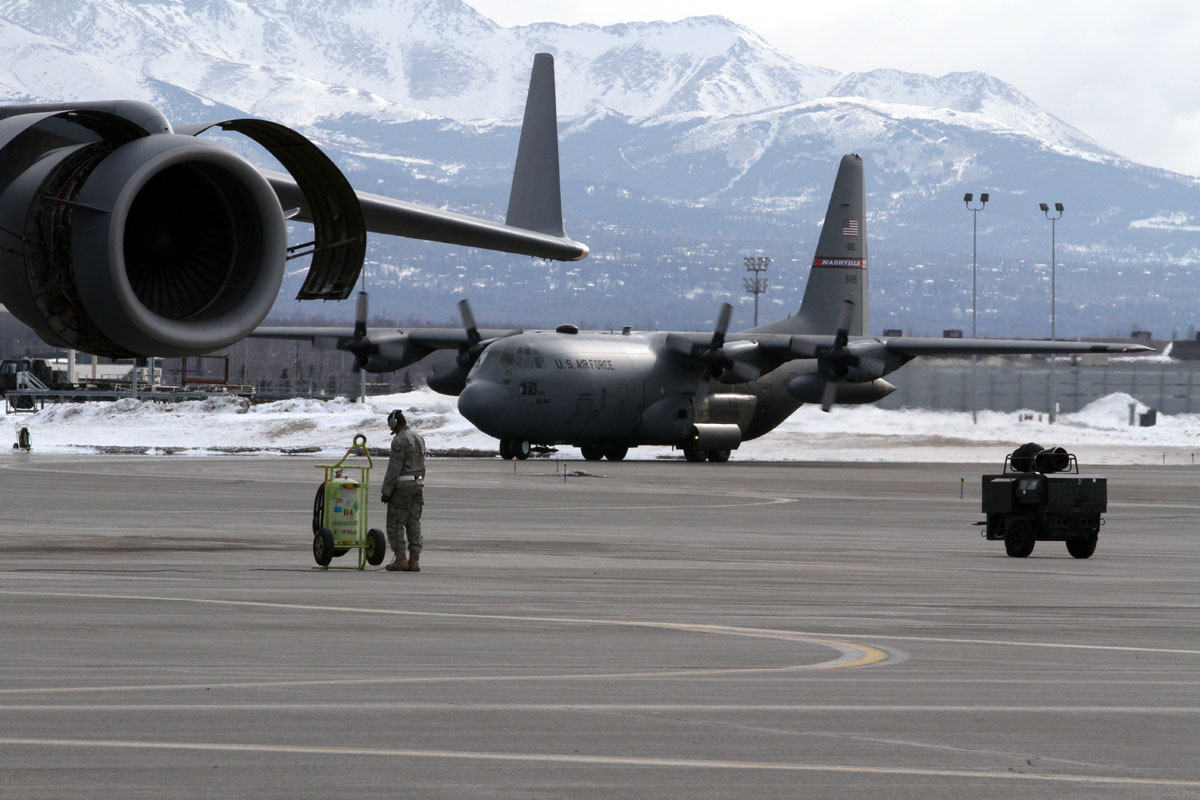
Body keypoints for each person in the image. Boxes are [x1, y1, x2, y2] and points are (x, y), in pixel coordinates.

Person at [380, 409, 426, 572]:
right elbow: (423, 465)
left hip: (402, 486)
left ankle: (400, 559)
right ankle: (414, 560)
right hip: (417, 483)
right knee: (413, 522)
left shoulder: (400, 440)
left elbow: (394, 468)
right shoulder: (418, 438)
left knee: (395, 522)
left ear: (394, 424)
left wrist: (386, 491)